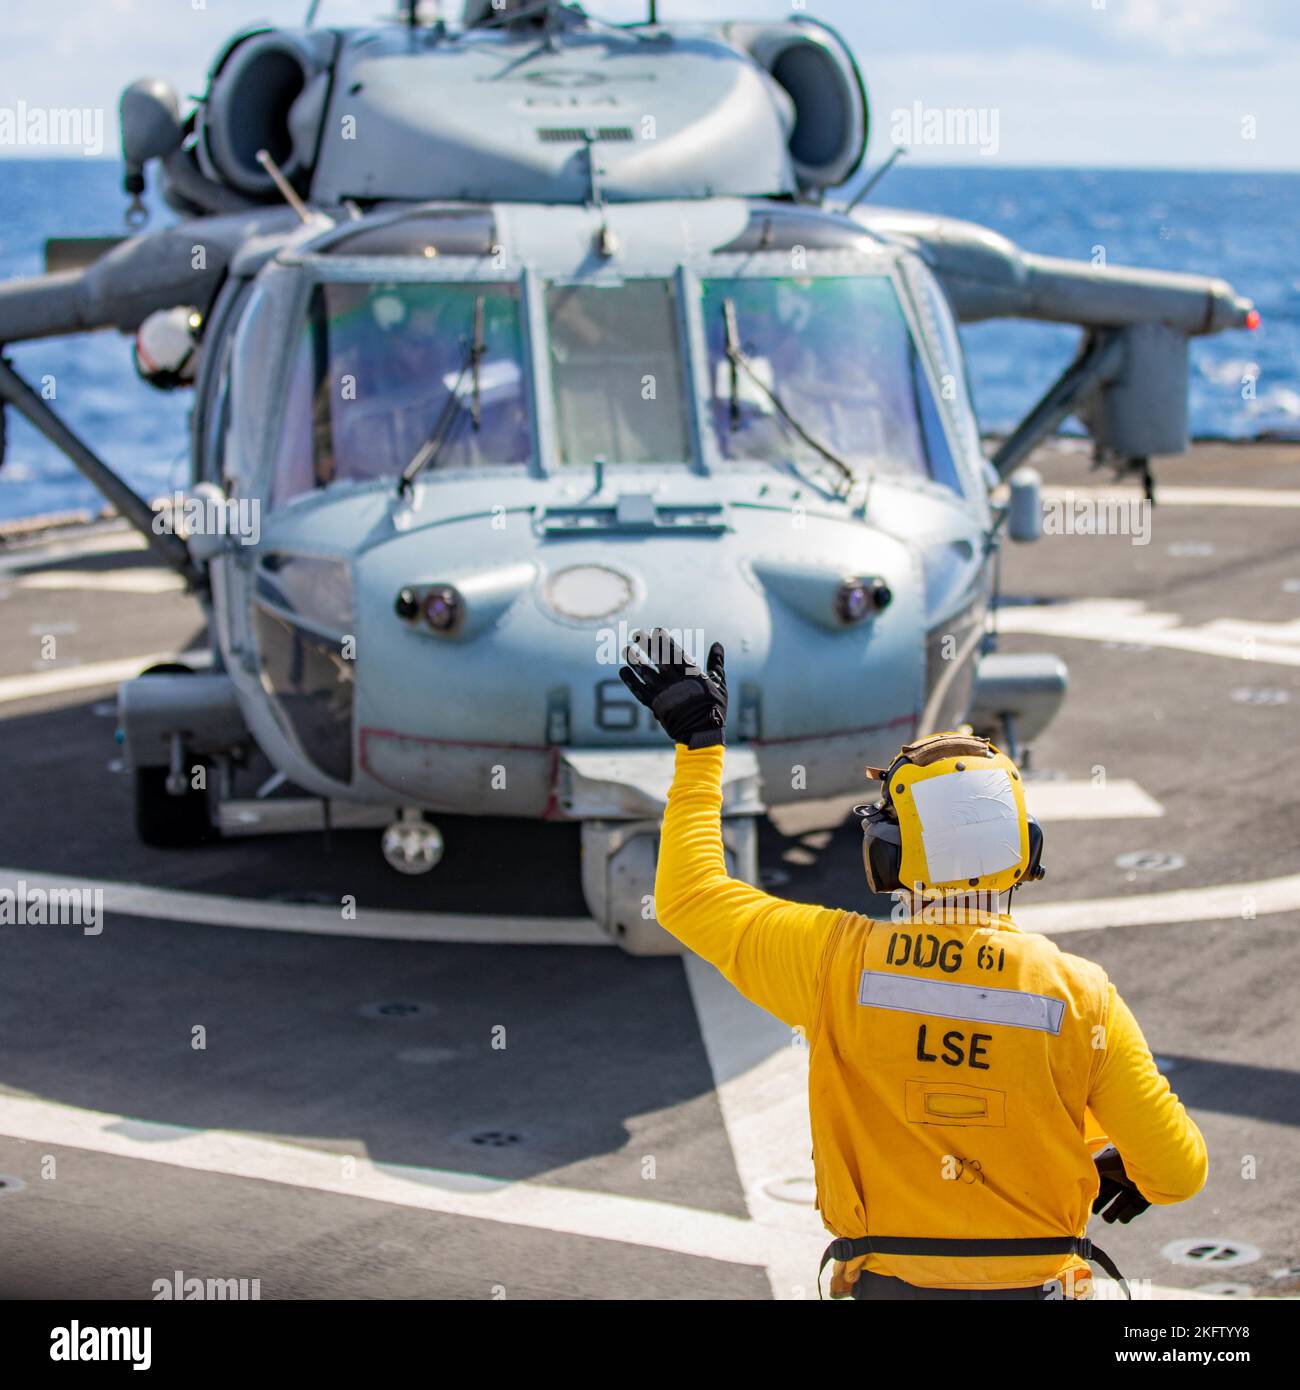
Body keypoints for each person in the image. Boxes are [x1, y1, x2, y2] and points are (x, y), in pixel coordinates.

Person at [619, 628, 1208, 1301]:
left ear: (887, 857)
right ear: (1027, 849)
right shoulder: (1078, 995)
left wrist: (699, 748)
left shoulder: (834, 961)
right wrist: (1126, 1158)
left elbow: (688, 896)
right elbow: (1178, 1174)